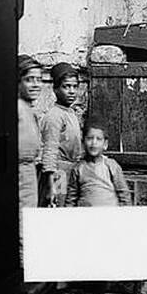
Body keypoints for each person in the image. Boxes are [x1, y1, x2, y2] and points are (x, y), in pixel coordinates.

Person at [65, 123, 137, 294]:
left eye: (98, 139)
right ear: (83, 143)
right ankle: (84, 290)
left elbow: (123, 192)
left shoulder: (111, 166)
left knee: (103, 256)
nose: (93, 143)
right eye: (89, 139)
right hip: (86, 222)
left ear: (105, 144)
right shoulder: (78, 169)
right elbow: (72, 196)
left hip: (107, 221)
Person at [39, 62, 82, 207]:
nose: (71, 91)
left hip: (71, 172)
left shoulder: (70, 112)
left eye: (75, 86)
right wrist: (52, 187)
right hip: (59, 174)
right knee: (58, 210)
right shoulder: (55, 116)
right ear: (56, 89)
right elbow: (50, 151)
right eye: (66, 86)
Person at [17, 55, 43, 211]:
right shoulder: (17, 108)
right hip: (19, 177)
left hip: (29, 175)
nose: (36, 85)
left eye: (39, 79)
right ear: (18, 82)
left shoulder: (28, 109)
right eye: (29, 79)